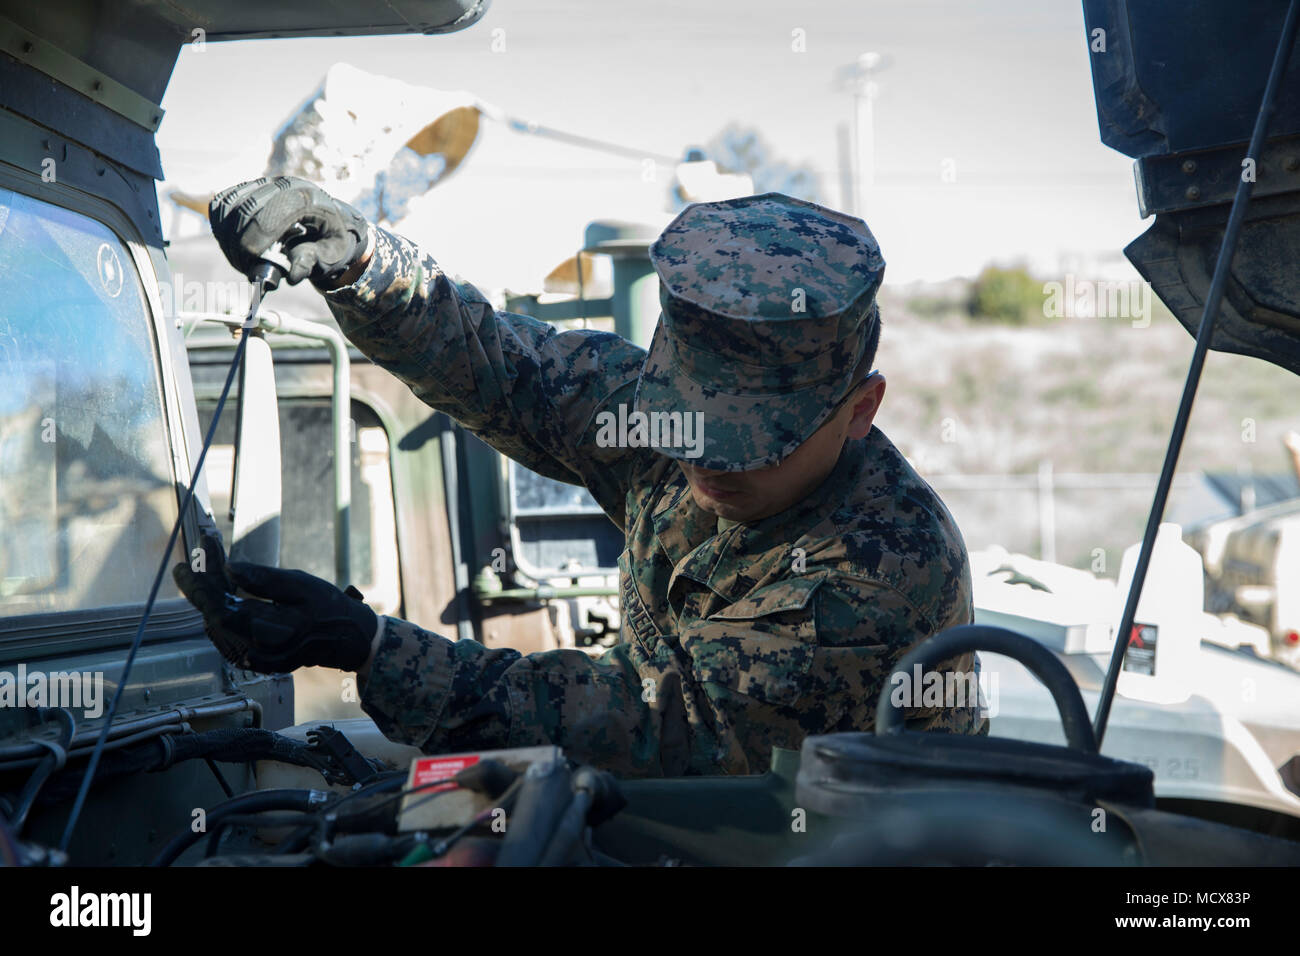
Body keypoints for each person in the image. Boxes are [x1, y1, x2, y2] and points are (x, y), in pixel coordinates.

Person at [176, 176, 987, 778]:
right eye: (691, 416)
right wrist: (359, 260)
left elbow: (660, 736)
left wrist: (373, 647)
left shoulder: (884, 572)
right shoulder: (660, 424)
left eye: (751, 439)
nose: (705, 458)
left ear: (860, 408)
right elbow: (498, 366)